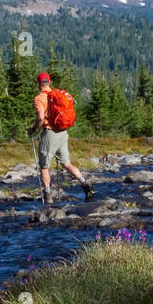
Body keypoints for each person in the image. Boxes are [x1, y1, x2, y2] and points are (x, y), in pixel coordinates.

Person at [28, 72, 94, 205]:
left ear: (38, 83)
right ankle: (85, 184)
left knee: (44, 166)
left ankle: (48, 197)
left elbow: (41, 117)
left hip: (50, 133)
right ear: (49, 82)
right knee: (66, 163)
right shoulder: (57, 95)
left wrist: (34, 129)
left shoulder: (39, 98)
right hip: (63, 132)